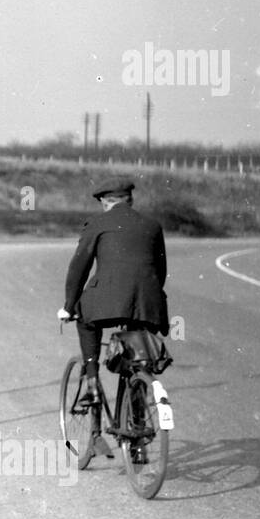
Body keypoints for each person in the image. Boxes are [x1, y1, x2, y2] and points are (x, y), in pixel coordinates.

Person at [57, 178, 169, 421]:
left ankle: (93, 382)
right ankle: (137, 427)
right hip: (148, 302)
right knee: (137, 358)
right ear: (130, 200)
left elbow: (79, 267)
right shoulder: (152, 225)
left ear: (106, 202)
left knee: (86, 321)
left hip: (106, 301)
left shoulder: (97, 224)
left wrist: (69, 306)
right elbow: (160, 271)